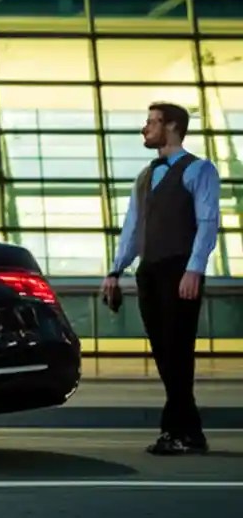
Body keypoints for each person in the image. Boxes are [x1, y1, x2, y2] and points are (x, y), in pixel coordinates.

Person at [102, 101, 220, 456]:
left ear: (171, 127)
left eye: (151, 122)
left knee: (178, 351)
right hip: (149, 272)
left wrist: (195, 268)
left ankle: (179, 431)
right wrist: (115, 269)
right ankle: (187, 432)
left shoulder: (200, 170)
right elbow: (132, 229)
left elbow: (208, 222)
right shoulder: (145, 175)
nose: (145, 128)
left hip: (179, 269)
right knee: (164, 353)